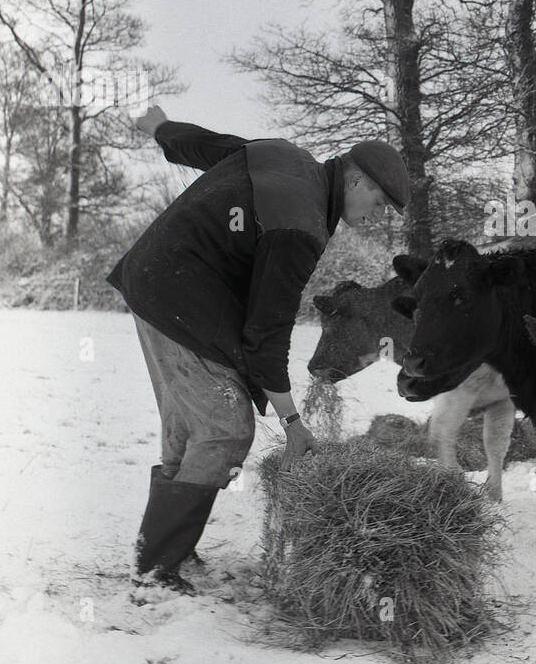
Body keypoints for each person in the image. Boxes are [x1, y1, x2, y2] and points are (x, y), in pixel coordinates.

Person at [107, 106, 410, 593]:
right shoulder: (301, 225)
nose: (374, 215)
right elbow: (266, 331)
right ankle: (157, 569)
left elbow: (208, 145)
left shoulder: (285, 156)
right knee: (227, 427)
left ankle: (164, 553)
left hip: (157, 279)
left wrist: (162, 130)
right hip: (179, 297)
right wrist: (293, 423)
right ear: (356, 180)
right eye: (377, 202)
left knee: (194, 423)